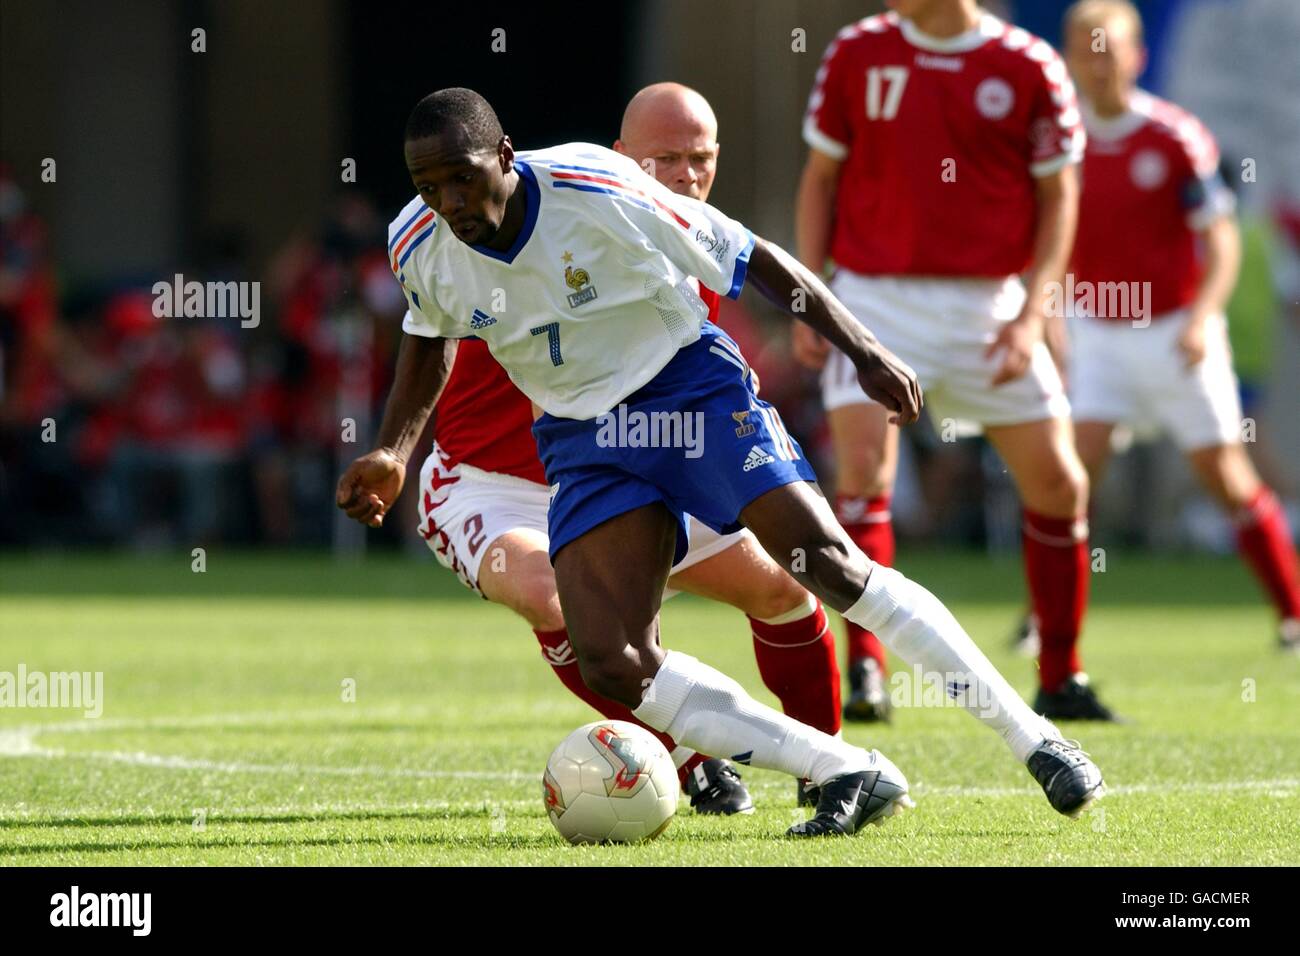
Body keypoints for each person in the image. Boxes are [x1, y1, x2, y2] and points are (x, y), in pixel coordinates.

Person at [337, 87, 1103, 837]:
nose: (450, 201)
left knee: (822, 563)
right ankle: (845, 767)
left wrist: (864, 352)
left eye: (462, 177)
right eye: (428, 186)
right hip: (582, 437)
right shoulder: (418, 241)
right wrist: (393, 448)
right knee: (613, 658)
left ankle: (1036, 738)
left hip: (688, 392)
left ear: (504, 155)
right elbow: (428, 331)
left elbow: (755, 259)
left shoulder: (597, 186)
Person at [414, 83, 843, 816]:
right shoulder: (508, 224)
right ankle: (684, 757)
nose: (684, 176)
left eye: (699, 159)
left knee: (785, 586)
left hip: (625, 467)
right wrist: (392, 449)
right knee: (554, 597)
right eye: (664, 159)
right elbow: (429, 334)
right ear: (618, 162)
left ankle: (828, 766)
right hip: (492, 479)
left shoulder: (684, 244)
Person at [795, 0, 1117, 720]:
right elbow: (820, 177)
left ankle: (1062, 675)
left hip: (989, 306)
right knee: (863, 476)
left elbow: (1060, 196)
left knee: (1061, 484)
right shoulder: (857, 50)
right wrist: (809, 296)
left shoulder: (1027, 65)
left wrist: (1035, 315)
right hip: (873, 299)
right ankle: (869, 674)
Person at [1062, 0, 1300, 650]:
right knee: (1065, 477)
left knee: (1225, 474)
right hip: (1096, 333)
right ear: (1070, 56)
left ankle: (1292, 612)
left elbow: (1220, 240)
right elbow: (1044, 242)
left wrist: (1200, 319)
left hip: (1172, 330)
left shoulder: (1174, 136)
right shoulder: (1059, 141)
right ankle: (1051, 625)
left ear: (1138, 56)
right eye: (1085, 48)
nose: (1097, 61)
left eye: (1109, 47)